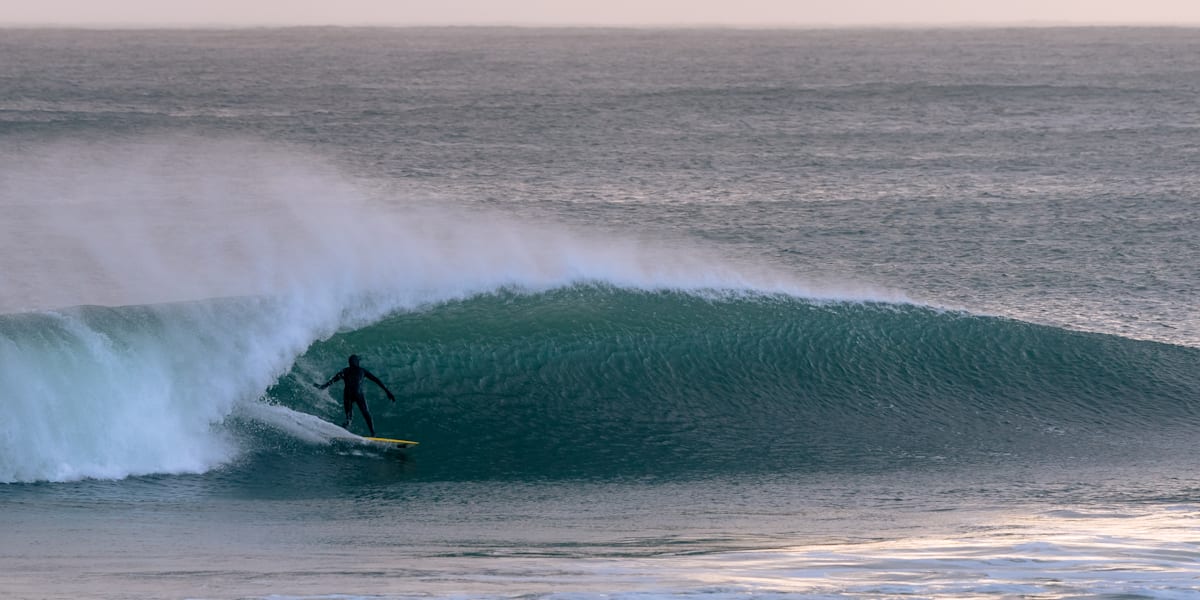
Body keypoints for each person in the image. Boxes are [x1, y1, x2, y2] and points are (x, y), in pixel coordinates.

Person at [314, 354, 395, 437]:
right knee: (366, 413)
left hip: (347, 394)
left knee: (349, 418)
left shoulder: (345, 371)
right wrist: (387, 391)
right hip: (358, 393)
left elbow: (332, 381)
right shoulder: (362, 371)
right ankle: (373, 433)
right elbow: (376, 380)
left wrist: (322, 386)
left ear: (349, 363)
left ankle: (342, 433)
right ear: (357, 362)